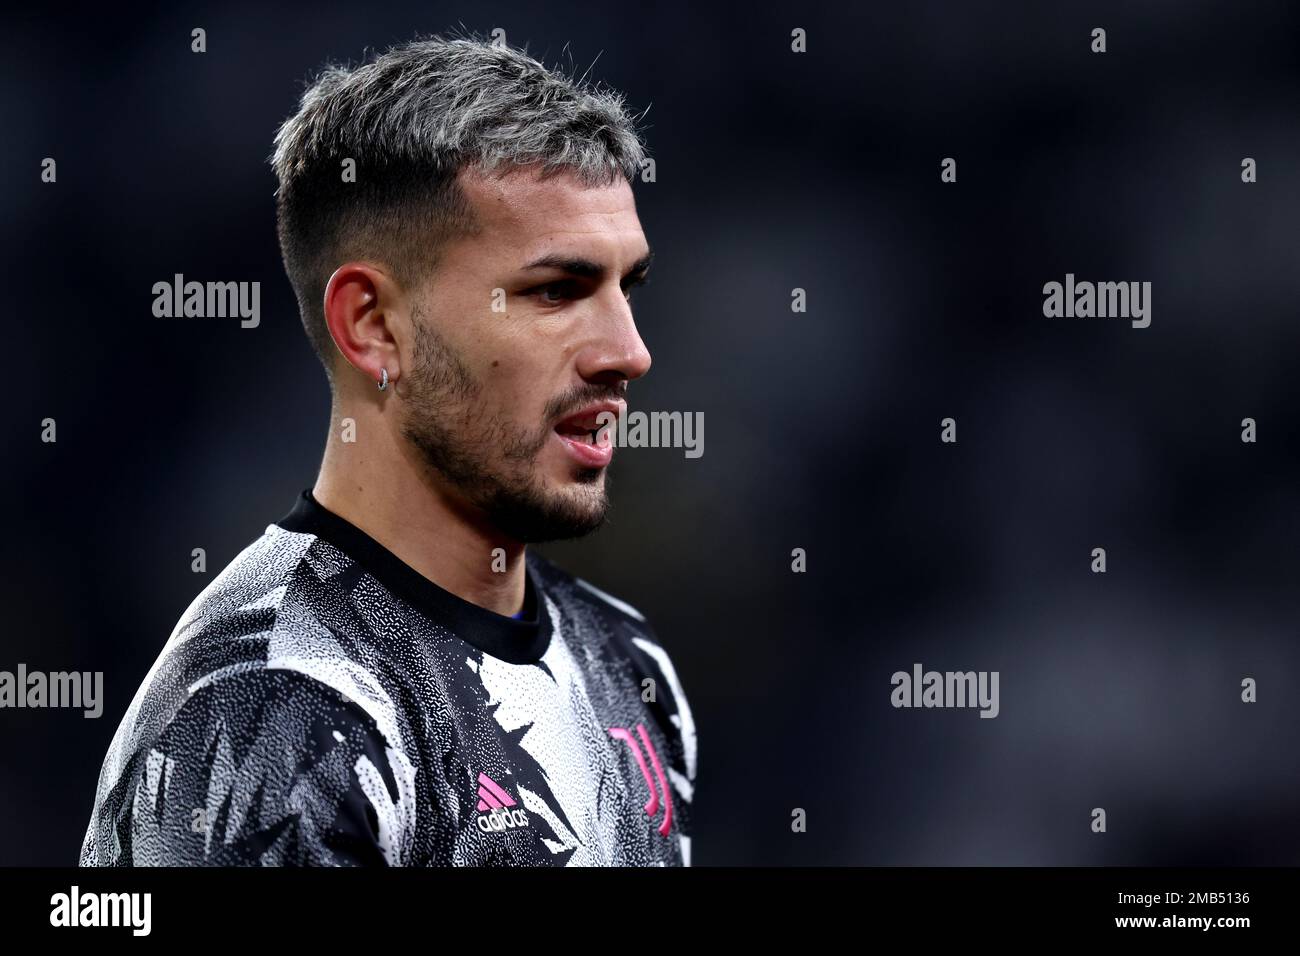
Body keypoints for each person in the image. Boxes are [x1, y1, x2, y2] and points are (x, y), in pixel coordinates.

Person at [79, 35, 696, 866]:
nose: (629, 351)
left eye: (629, 288)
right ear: (373, 326)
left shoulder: (625, 659)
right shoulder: (268, 710)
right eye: (557, 290)